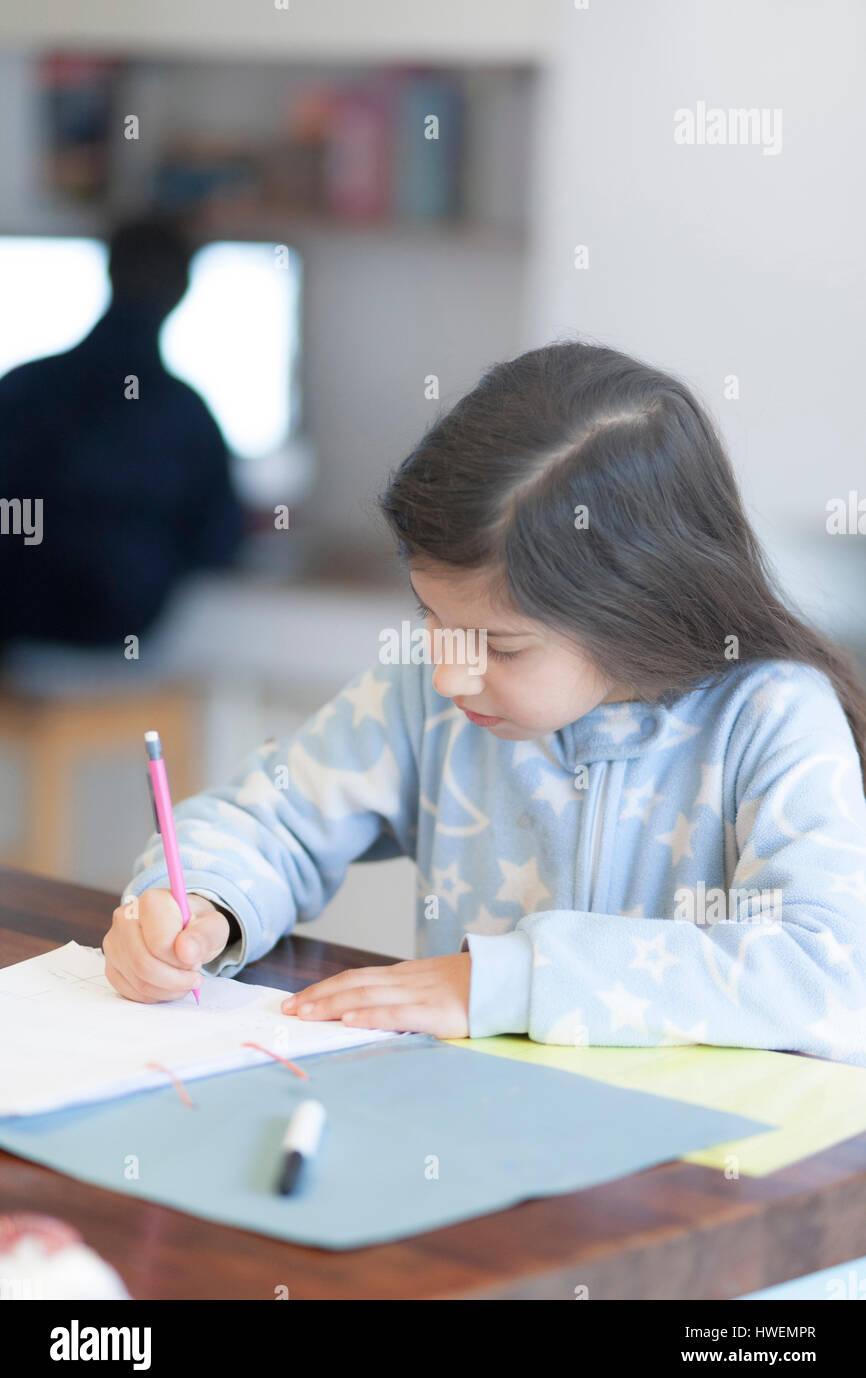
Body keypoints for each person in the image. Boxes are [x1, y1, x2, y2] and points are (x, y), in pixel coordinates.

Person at [105, 340, 866, 1067]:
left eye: (500, 647)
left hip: (693, 1170)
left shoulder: (772, 718)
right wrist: (198, 904)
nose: (449, 675)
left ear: (639, 609)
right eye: (431, 618)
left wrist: (505, 983)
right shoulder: (429, 701)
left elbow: (820, 972)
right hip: (473, 1137)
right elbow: (272, 817)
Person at [0, 215, 242, 650]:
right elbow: (218, 546)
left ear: (108, 272)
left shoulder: (21, 388)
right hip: (121, 653)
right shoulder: (187, 416)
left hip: (14, 647)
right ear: (183, 290)